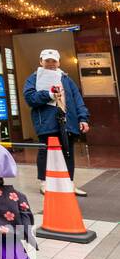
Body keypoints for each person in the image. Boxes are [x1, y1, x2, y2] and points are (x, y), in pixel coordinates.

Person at [23, 48, 89, 197]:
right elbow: (30, 98)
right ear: (41, 61)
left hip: (68, 121)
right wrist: (49, 95)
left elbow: (78, 99)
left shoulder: (66, 78)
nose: (51, 64)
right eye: (47, 61)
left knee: (68, 152)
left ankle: (69, 183)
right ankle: (44, 182)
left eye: (54, 61)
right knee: (45, 151)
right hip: (46, 122)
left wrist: (83, 118)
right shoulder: (33, 78)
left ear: (59, 62)